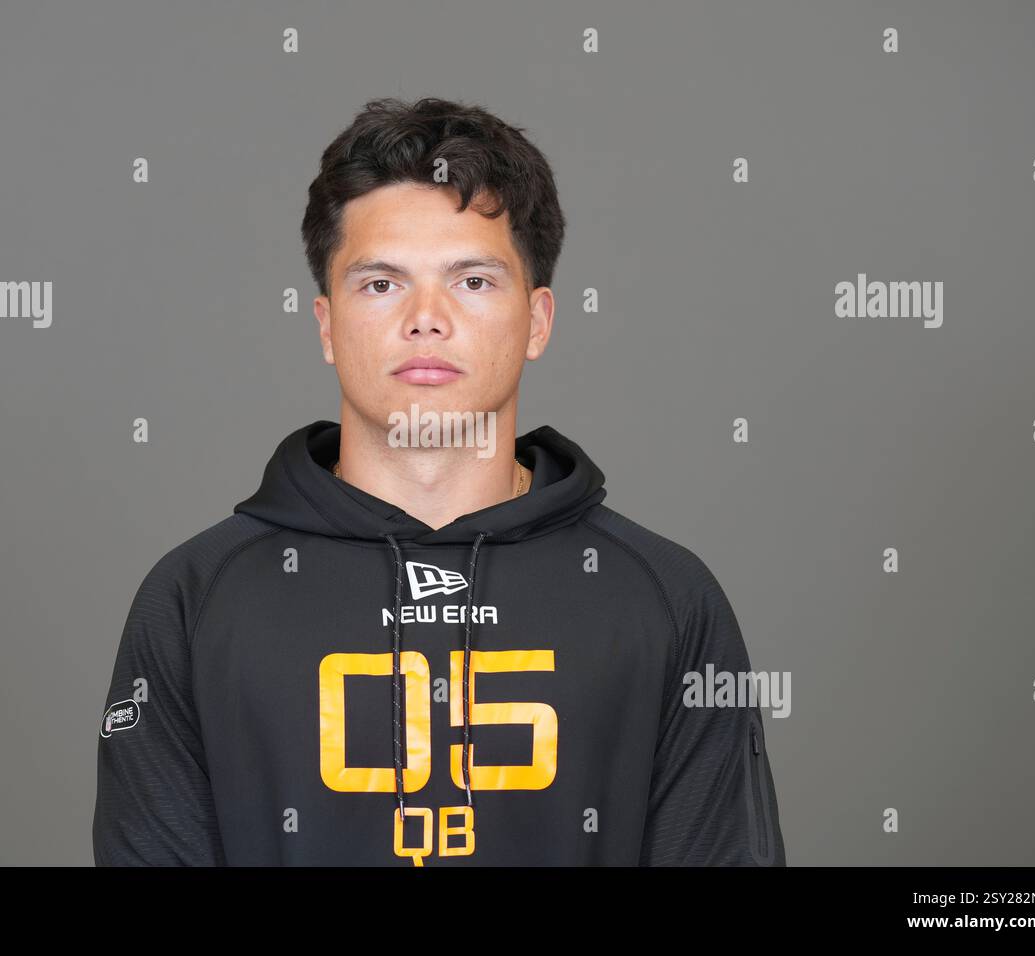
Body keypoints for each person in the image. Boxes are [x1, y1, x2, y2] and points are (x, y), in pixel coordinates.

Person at [92, 96, 785, 866]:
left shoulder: (665, 599)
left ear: (539, 319)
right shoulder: (194, 599)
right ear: (326, 324)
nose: (427, 318)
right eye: (381, 284)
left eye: (474, 281)